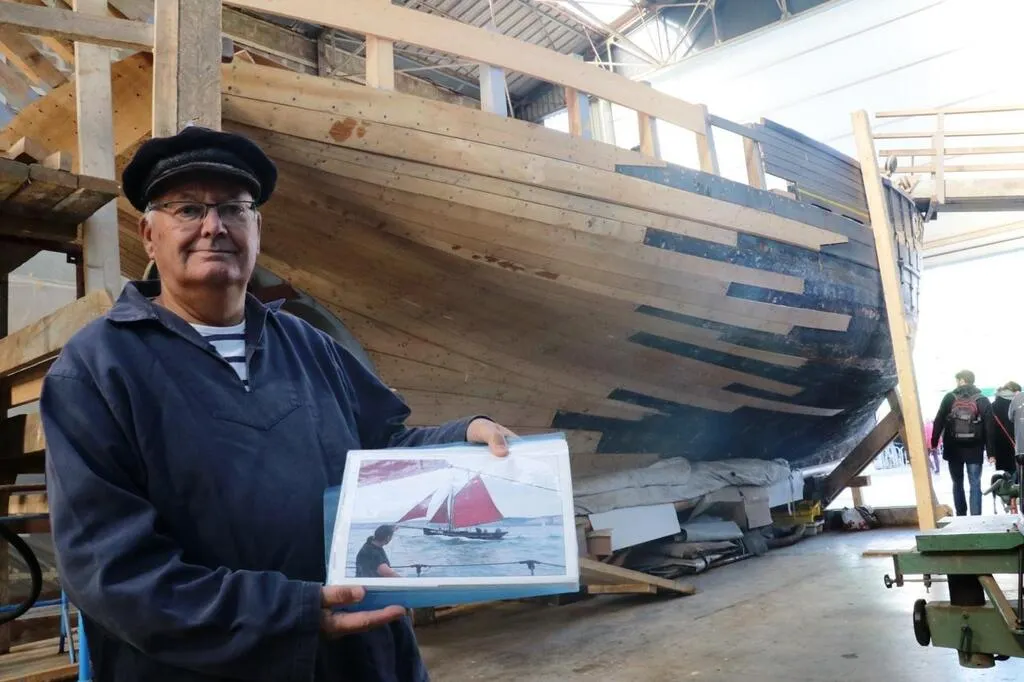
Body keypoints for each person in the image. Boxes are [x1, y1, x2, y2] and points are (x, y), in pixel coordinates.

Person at [39, 125, 517, 682]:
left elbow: (384, 448)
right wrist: (287, 612)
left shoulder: (310, 345)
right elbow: (109, 570)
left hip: (360, 658)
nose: (213, 226)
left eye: (233, 210)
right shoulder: (96, 369)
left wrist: (464, 436)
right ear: (149, 235)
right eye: (188, 209)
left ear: (257, 230)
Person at [930, 369, 991, 516]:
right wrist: (991, 452)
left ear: (962, 380)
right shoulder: (982, 399)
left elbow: (938, 420)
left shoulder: (949, 398)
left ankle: (961, 515)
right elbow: (990, 427)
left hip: (953, 448)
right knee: (975, 484)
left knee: (957, 483)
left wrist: (934, 441)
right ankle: (976, 516)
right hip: (975, 449)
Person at [988, 382, 1020, 474]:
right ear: (1015, 391)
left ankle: (1009, 485)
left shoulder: (994, 405)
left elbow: (990, 428)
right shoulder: (1018, 404)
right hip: (1018, 443)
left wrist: (991, 452)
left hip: (1001, 444)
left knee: (1009, 472)